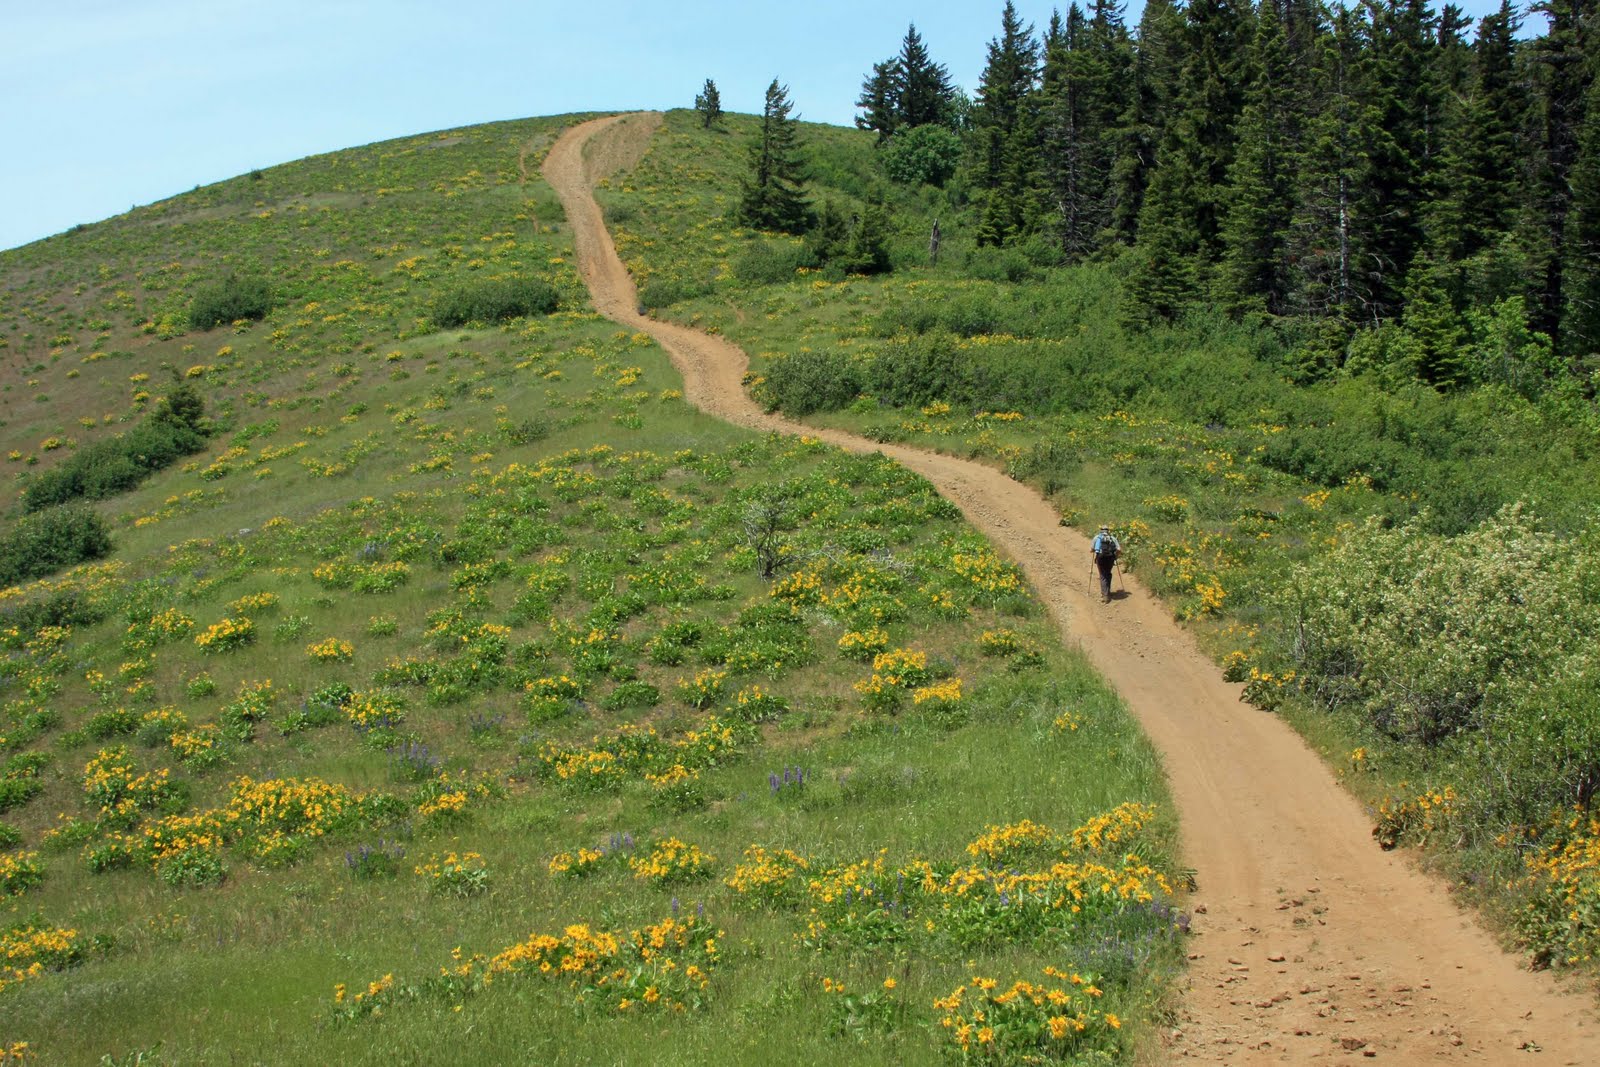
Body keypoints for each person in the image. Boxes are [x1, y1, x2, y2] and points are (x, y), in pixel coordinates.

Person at [1091, 524, 1120, 603]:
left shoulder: (1097, 538)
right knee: (1108, 573)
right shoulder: (1112, 538)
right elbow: (1119, 549)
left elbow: (1092, 549)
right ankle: (1108, 591)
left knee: (1102, 575)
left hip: (1100, 558)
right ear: (1108, 530)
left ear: (1101, 530)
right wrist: (1116, 557)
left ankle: (1105, 595)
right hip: (1110, 558)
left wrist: (1094, 551)